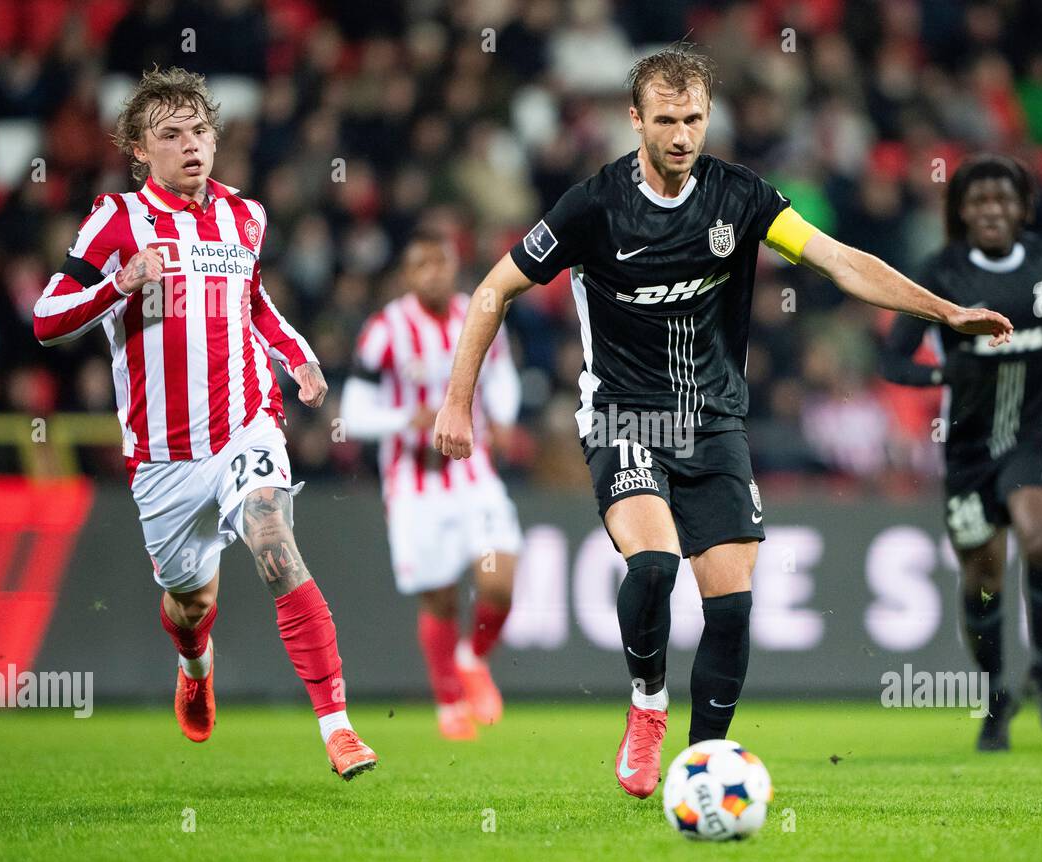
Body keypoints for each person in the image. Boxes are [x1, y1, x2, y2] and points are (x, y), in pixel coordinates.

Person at [431, 46, 1012, 797]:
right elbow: (492, 289)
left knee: (731, 609)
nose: (681, 135)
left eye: (694, 119)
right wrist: (457, 399)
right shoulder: (592, 207)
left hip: (713, 421)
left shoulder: (740, 197)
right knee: (653, 563)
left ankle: (699, 768)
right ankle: (647, 705)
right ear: (634, 119)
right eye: (666, 120)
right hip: (624, 415)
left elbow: (836, 260)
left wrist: (944, 311)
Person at [31, 67, 377, 780]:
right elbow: (45, 319)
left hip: (245, 424)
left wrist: (300, 359)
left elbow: (252, 304)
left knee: (273, 541)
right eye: (170, 135)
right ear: (137, 151)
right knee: (192, 604)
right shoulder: (117, 219)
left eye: (200, 130)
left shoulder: (243, 216)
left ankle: (338, 729)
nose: (191, 145)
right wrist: (118, 284)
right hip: (162, 457)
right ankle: (195, 664)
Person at [880, 154, 1042, 752]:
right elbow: (892, 359)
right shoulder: (940, 273)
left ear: (1023, 207)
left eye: (1003, 199)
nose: (992, 210)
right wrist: (945, 374)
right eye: (978, 201)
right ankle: (995, 695)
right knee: (983, 577)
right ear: (961, 212)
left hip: (1035, 432)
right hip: (969, 449)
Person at [341, 229, 522, 740]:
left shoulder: (479, 311)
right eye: (422, 265)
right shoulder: (385, 330)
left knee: (499, 579)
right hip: (414, 484)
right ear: (407, 275)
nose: (434, 273)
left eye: (441, 263)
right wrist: (405, 419)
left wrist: (504, 415)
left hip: (473, 474)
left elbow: (502, 372)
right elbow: (353, 413)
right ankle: (448, 705)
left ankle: (472, 658)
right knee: (440, 597)